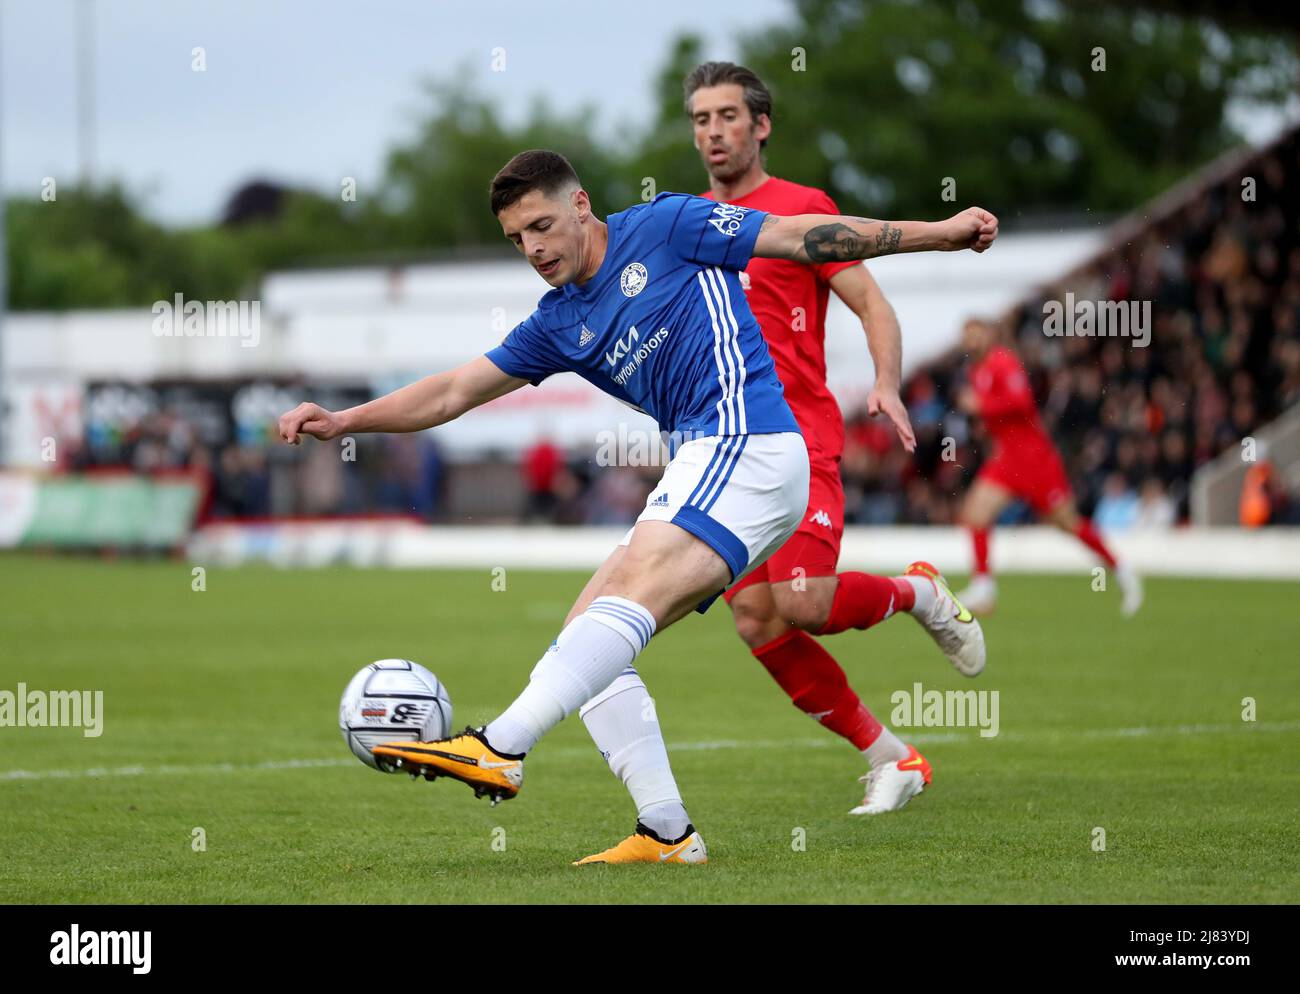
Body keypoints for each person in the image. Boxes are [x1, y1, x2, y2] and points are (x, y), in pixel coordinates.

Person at [278, 149, 998, 864]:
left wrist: (940, 232)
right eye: (517, 239)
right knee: (586, 634)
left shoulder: (669, 223)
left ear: (581, 204)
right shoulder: (558, 322)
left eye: (541, 225)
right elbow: (450, 393)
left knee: (649, 600)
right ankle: (667, 830)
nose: (533, 248)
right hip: (708, 459)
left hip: (749, 438)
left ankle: (501, 745)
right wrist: (345, 421)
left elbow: (801, 236)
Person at [573, 62, 987, 866]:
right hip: (719, 450)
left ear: (762, 125)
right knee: (758, 617)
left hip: (800, 439)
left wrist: (888, 385)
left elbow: (871, 300)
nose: (713, 131)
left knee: (796, 602)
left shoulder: (802, 211)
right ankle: (891, 757)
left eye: (729, 115)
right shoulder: (680, 222)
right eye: (700, 118)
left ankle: (919, 593)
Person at [955, 317, 1141, 616]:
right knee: (975, 513)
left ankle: (1122, 570)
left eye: (976, 333)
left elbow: (1022, 401)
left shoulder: (1004, 362)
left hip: (1034, 460)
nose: (972, 340)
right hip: (1006, 459)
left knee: (1068, 523)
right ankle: (984, 588)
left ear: (990, 335)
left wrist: (982, 407)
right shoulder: (975, 371)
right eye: (967, 334)